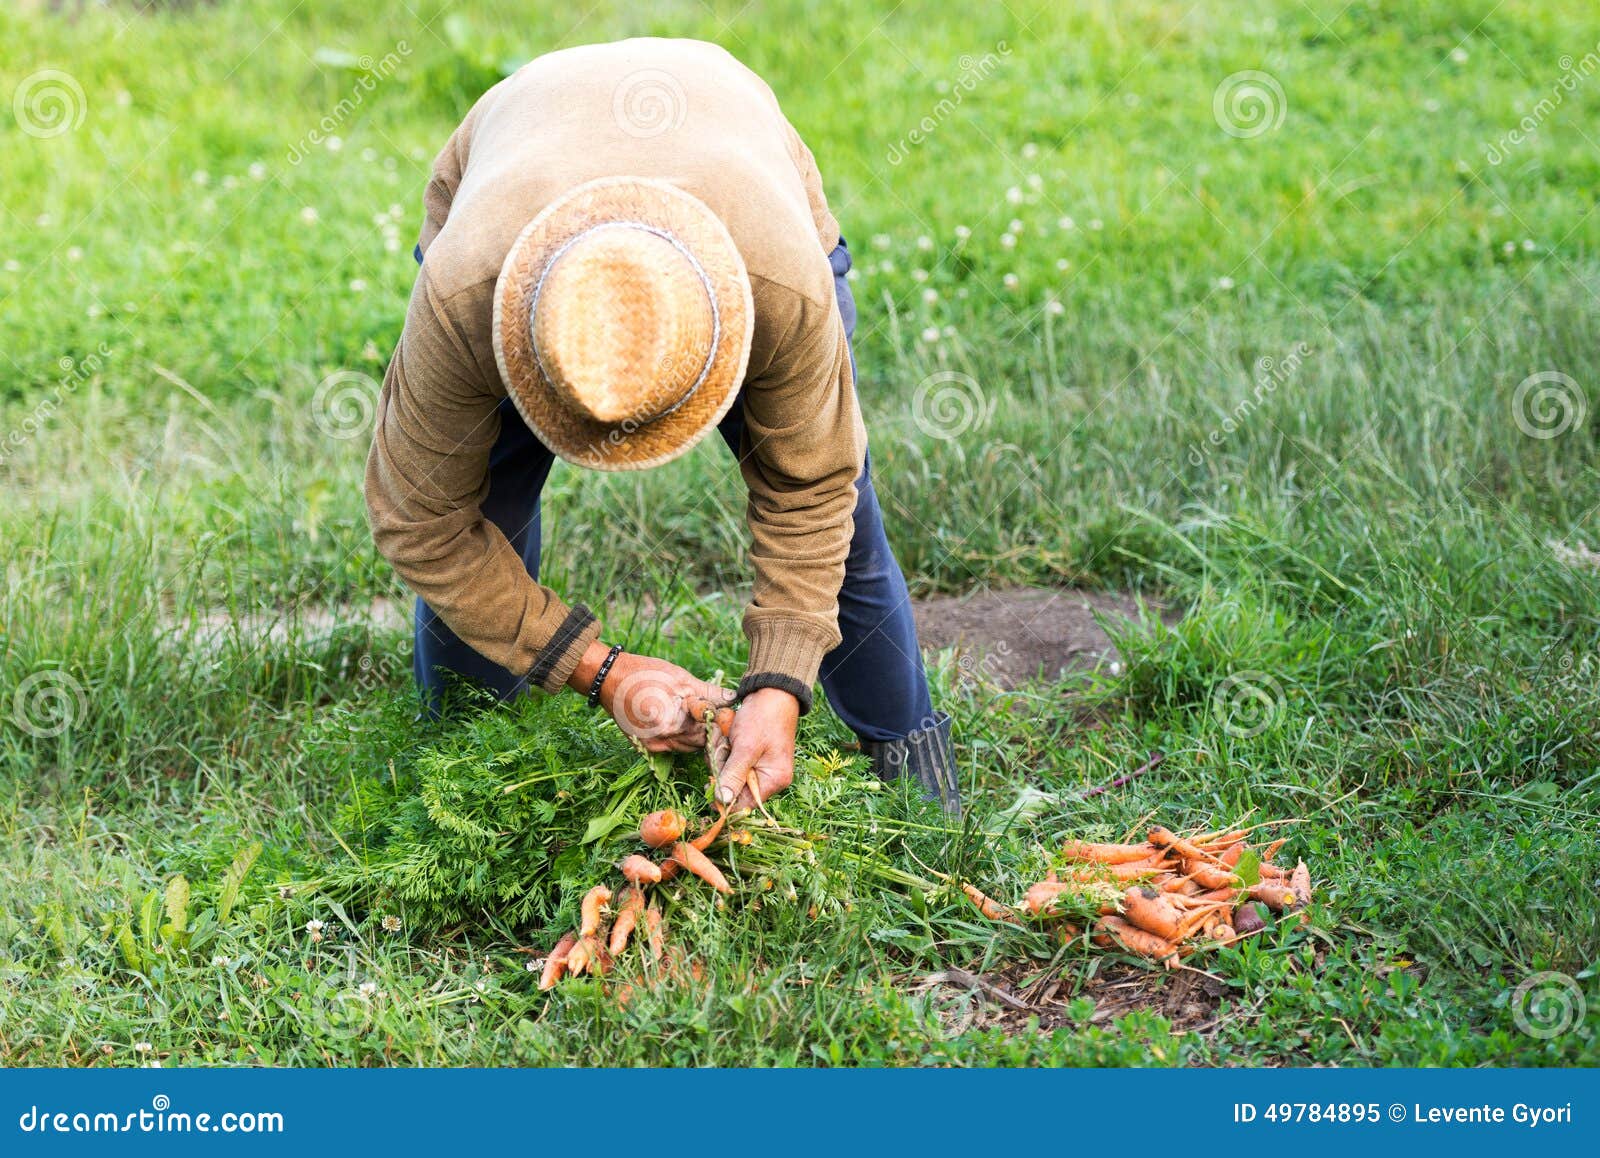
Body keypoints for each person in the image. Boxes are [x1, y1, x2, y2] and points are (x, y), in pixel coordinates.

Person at [364, 37, 959, 815]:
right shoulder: (467, 296)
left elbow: (812, 491)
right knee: (480, 510)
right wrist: (599, 668)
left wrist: (778, 687)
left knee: (847, 517)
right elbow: (423, 521)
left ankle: (917, 776)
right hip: (520, 142)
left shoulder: (786, 289)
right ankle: (466, 780)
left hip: (731, 139)